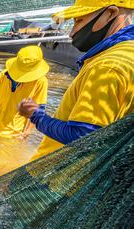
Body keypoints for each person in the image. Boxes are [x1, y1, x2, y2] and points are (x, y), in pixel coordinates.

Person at [18, 0, 134, 160]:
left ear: (111, 13)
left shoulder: (107, 66)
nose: (72, 33)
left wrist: (35, 115)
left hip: (56, 174)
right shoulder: (128, 54)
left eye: (79, 21)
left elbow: (84, 138)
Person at [0, 46, 49, 139]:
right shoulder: (4, 75)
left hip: (15, 133)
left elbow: (39, 109)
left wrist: (27, 132)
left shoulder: (40, 82)